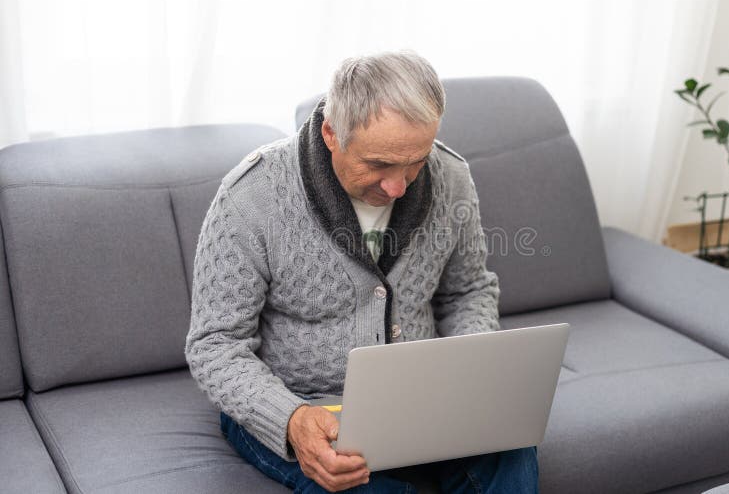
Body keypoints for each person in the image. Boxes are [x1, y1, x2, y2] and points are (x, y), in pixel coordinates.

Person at [185, 50, 539, 493]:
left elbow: (467, 292)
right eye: (379, 164)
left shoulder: (451, 176)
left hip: (423, 400)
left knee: (511, 449)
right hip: (303, 406)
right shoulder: (251, 197)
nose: (398, 186)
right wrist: (291, 419)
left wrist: (468, 378)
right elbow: (215, 344)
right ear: (332, 132)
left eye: (415, 161)